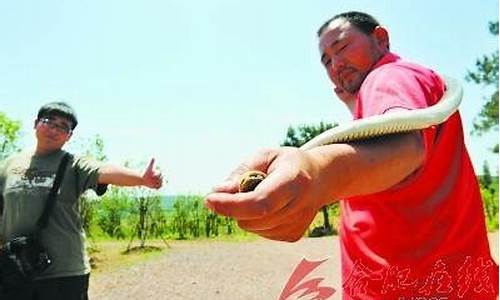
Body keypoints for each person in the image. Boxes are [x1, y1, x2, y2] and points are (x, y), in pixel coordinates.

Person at [205, 11, 499, 299]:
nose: (335, 64)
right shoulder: (399, 84)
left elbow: (405, 145)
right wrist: (354, 106)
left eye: (342, 47)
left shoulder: (388, 76)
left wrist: (316, 175)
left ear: (381, 39)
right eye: (326, 61)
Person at [0, 101, 163, 300]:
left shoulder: (73, 163)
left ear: (69, 136)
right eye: (49, 121)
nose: (54, 129)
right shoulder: (8, 165)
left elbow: (104, 170)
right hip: (16, 269)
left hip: (64, 271)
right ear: (35, 124)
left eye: (63, 126)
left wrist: (141, 178)